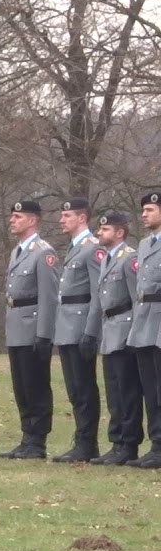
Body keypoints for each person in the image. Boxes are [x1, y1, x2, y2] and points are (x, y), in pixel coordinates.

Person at [1, 200, 60, 459]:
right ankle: (27, 436)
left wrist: (44, 333)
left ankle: (38, 440)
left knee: (35, 385)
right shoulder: (18, 251)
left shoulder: (42, 252)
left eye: (18, 216)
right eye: (12, 216)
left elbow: (49, 296)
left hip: (33, 326)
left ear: (32, 220)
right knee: (21, 386)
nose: (12, 221)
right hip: (16, 325)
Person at [86, 210, 142, 465]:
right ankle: (117, 441)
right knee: (114, 391)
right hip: (110, 330)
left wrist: (134, 335)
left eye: (106, 229)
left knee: (127, 391)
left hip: (125, 330)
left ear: (120, 232)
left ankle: (128, 444)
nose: (100, 232)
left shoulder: (129, 259)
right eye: (100, 228)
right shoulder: (107, 259)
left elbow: (136, 299)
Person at [53, 197, 103, 460]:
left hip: (81, 325)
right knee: (74, 388)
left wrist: (91, 331)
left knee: (84, 387)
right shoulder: (74, 247)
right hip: (66, 325)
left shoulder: (91, 248)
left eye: (67, 215)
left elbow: (98, 293)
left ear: (82, 218)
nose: (62, 220)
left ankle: (87, 442)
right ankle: (81, 439)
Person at [125, 193, 161, 469]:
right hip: (145, 319)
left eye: (150, 209)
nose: (144, 215)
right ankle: (156, 444)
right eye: (143, 210)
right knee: (150, 388)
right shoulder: (146, 244)